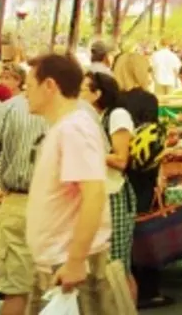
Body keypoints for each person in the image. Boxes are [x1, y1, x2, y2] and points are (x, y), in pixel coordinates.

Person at [25, 54, 115, 313]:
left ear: (50, 86)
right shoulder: (66, 127)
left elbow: (94, 195)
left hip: (68, 263)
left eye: (29, 86)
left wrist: (76, 260)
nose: (25, 94)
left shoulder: (73, 129)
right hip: (59, 260)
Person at [113, 52, 168, 309]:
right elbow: (151, 141)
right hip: (142, 171)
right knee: (147, 227)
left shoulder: (114, 101)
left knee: (123, 228)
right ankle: (148, 288)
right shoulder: (147, 100)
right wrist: (160, 172)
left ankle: (123, 282)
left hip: (118, 170)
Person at [80, 71, 137, 299]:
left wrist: (88, 151)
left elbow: (121, 160)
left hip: (114, 195)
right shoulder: (92, 117)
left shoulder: (117, 116)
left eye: (83, 89)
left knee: (119, 265)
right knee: (102, 263)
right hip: (97, 194)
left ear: (97, 94)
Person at [0, 65, 48, 315]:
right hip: (60, 205)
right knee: (55, 289)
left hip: (19, 201)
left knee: (17, 288)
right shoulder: (82, 112)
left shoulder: (9, 108)